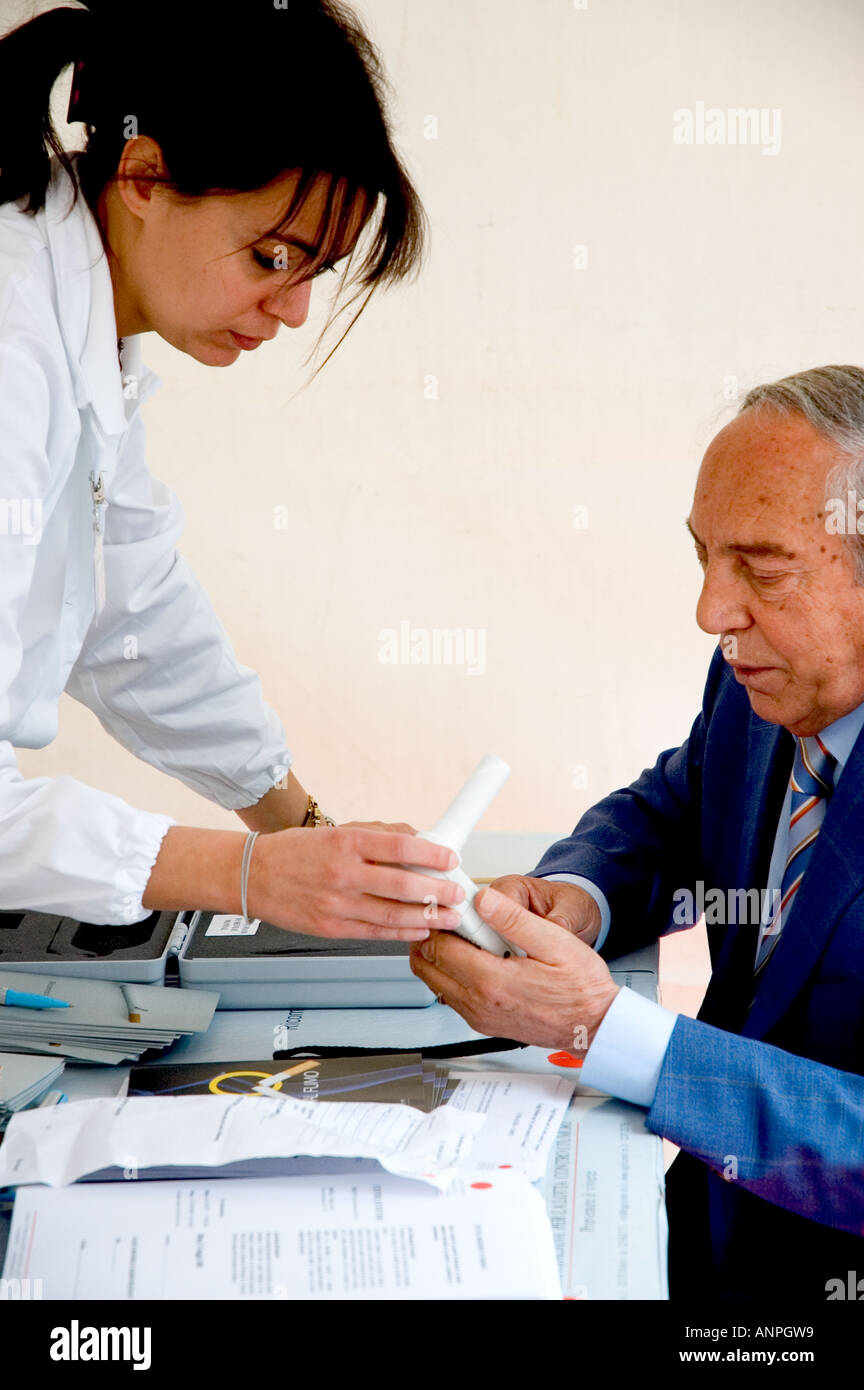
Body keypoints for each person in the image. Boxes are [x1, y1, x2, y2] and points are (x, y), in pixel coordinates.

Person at [0, 0, 466, 938]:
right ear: (143, 175)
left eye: (313, 273)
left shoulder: (83, 319)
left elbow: (133, 616)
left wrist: (309, 837)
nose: (291, 312)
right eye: (273, 257)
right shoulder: (11, 347)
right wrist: (252, 874)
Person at [410, 365, 864, 1300]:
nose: (712, 614)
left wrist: (603, 1026)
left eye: (763, 568)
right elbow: (675, 809)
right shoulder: (759, 683)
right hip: (704, 1227)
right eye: (703, 556)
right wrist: (578, 897)